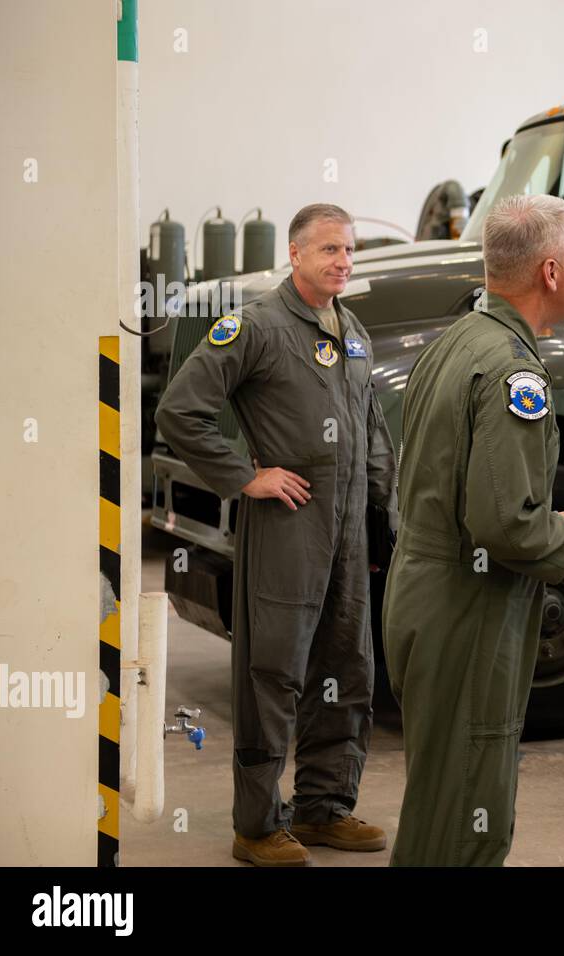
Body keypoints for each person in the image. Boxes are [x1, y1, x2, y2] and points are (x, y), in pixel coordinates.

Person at [155, 203, 396, 866]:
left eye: (348, 250)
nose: (342, 261)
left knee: (347, 669)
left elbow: (373, 432)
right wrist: (244, 476)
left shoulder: (353, 333)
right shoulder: (256, 326)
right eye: (328, 251)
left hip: (348, 532)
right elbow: (181, 409)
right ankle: (257, 826)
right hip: (289, 526)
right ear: (295, 255)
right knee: (274, 671)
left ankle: (325, 810)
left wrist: (383, 516)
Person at [384, 194, 564, 866]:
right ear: (549, 271)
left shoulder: (456, 342)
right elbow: (501, 525)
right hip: (470, 610)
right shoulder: (515, 371)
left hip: (427, 593)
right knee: (468, 818)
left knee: (438, 801)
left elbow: (459, 490)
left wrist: (559, 519)